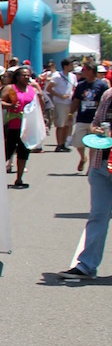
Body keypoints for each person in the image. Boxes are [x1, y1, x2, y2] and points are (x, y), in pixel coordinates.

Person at [60, 85, 112, 280]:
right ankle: (87, 266)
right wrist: (97, 130)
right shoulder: (108, 95)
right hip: (101, 164)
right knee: (98, 215)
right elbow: (94, 123)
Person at [1, 66, 37, 188]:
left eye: (28, 75)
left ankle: (19, 178)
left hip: (27, 127)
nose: (26, 77)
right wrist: (10, 105)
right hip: (12, 125)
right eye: (24, 75)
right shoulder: (10, 88)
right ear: (17, 77)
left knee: (24, 152)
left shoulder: (32, 90)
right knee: (6, 151)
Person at [72, 62, 110, 173]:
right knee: (78, 142)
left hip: (95, 119)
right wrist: (70, 114)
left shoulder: (102, 85)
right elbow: (76, 100)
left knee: (93, 144)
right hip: (82, 117)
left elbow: (105, 103)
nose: (83, 71)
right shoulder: (81, 85)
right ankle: (83, 158)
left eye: (85, 69)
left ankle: (91, 167)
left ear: (91, 71)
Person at [46, 58, 77, 152]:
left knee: (68, 124)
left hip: (70, 102)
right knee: (60, 124)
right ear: (65, 66)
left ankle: (64, 143)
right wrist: (60, 96)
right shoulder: (57, 76)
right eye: (71, 65)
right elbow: (49, 89)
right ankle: (59, 144)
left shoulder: (73, 76)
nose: (72, 67)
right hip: (60, 103)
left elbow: (74, 87)